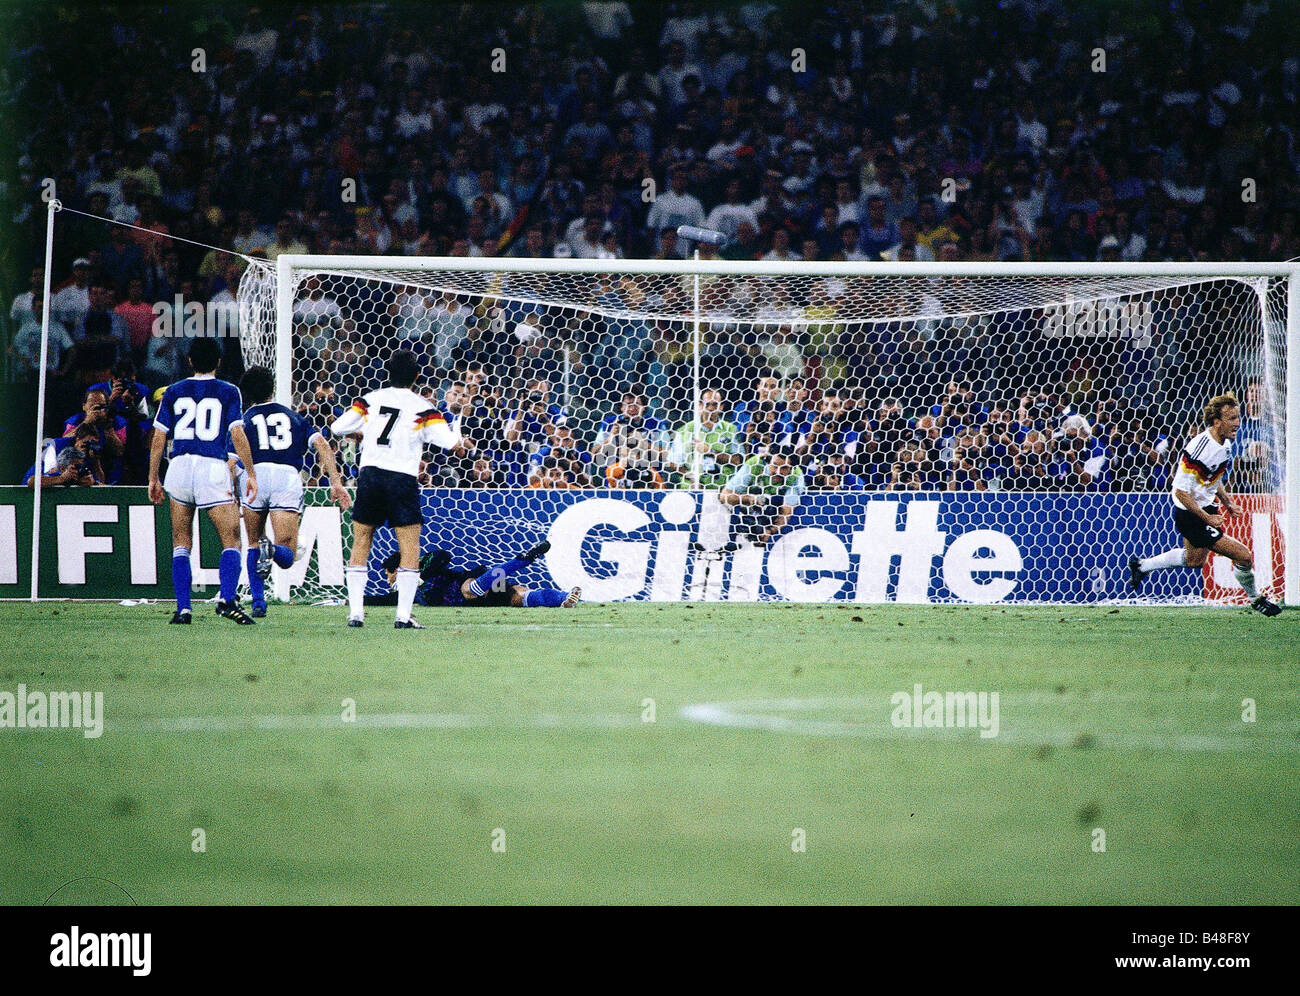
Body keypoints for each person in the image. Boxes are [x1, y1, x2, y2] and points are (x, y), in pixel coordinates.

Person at [329, 349, 462, 629]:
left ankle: (355, 614)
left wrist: (361, 432)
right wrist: (459, 424)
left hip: (371, 475)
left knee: (361, 540)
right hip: (402, 478)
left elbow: (337, 426)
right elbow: (451, 444)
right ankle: (402, 616)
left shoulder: (370, 400)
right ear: (417, 375)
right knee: (410, 546)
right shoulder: (424, 408)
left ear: (386, 372)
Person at [1129, 392, 1281, 616]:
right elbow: (1180, 491)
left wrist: (1227, 502)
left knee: (1194, 561)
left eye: (1238, 417)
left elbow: (1213, 477)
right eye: (1231, 419)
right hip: (1190, 512)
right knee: (1243, 555)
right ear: (1216, 421)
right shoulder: (1200, 447)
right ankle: (1255, 598)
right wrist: (1206, 517)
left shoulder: (1225, 444)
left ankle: (1142, 565)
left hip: (1204, 507)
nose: (1237, 423)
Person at [148, 338, 259, 625]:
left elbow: (159, 437)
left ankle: (184, 609)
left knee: (181, 542)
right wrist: (251, 473)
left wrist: (153, 478)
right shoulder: (228, 391)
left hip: (180, 467)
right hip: (211, 466)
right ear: (219, 362)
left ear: (190, 361)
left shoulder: (173, 391)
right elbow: (237, 434)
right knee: (231, 539)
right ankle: (226, 598)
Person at [232, 366, 351, 617]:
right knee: (288, 552)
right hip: (286, 477)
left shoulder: (242, 421)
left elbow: (232, 462)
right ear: (272, 388)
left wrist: (232, 492)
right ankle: (272, 551)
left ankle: (258, 602)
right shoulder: (294, 417)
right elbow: (322, 443)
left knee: (253, 542)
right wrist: (336, 482)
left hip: (255, 476)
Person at [366, 541, 579, 610]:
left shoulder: (425, 566)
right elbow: (382, 600)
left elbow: (442, 555)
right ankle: (564, 598)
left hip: (469, 583)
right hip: (481, 601)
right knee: (520, 596)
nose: (388, 580)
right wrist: (355, 600)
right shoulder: (407, 593)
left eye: (389, 574)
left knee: (469, 590)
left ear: (399, 569)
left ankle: (520, 561)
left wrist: (420, 574)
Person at [718, 442, 807, 545]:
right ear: (768, 461)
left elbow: (786, 511)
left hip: (773, 510)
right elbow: (724, 496)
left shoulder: (796, 476)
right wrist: (751, 499)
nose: (778, 472)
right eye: (775, 466)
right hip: (746, 508)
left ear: (791, 468)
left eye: (784, 468)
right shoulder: (755, 464)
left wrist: (771, 530)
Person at [24, 423, 103, 488]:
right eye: (85, 443)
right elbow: (32, 481)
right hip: (33, 487)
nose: (87, 447)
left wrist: (93, 482)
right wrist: (62, 478)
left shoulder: (89, 454)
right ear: (77, 439)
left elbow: (103, 484)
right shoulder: (57, 445)